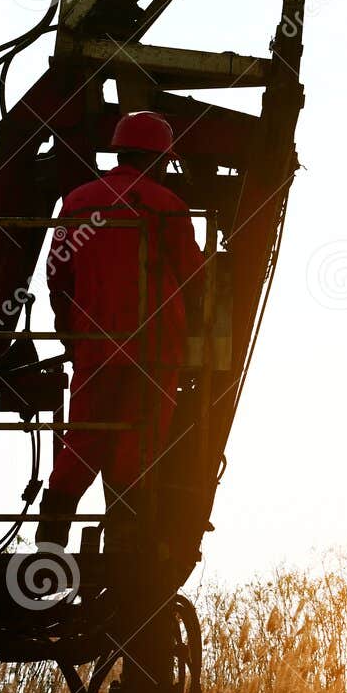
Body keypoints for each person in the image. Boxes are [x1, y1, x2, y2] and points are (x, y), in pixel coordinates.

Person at [36, 111, 203, 546]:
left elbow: (58, 275)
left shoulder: (77, 202)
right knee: (138, 449)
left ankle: (48, 546)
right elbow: (193, 275)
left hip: (94, 347)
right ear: (159, 158)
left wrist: (69, 331)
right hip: (154, 350)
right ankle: (127, 553)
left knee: (82, 443)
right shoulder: (166, 206)